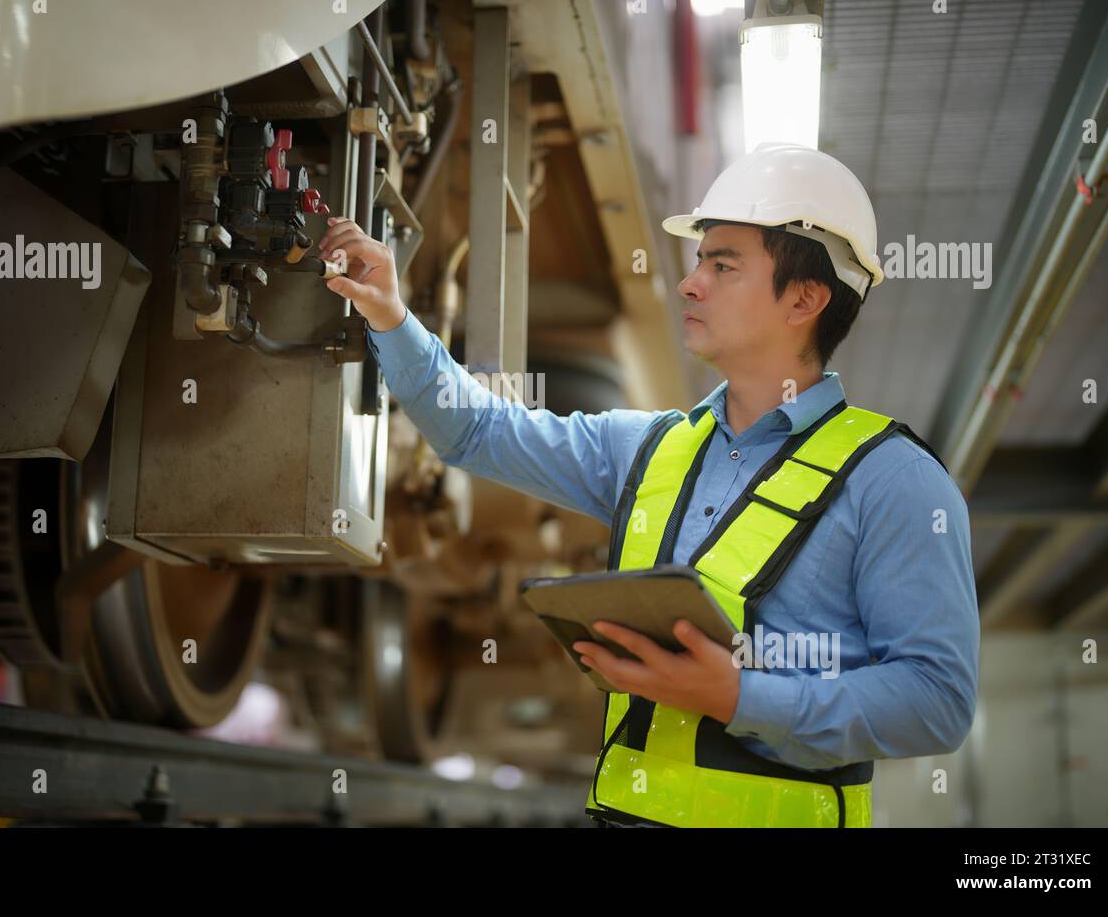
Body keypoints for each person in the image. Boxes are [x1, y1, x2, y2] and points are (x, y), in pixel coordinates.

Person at [316, 143, 979, 828]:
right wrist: (391, 316)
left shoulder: (896, 482)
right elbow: (478, 433)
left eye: (723, 266)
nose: (692, 284)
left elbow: (938, 702)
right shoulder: (649, 447)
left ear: (806, 297)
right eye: (700, 262)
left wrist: (740, 698)